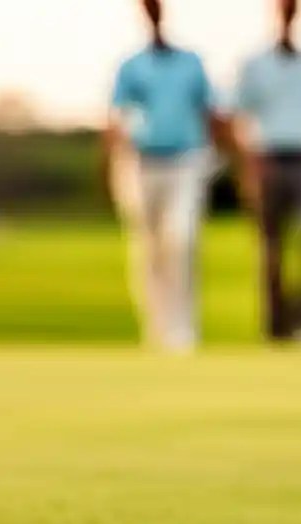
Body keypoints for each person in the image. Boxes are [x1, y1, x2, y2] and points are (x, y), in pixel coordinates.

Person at [105, 0, 226, 353]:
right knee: (149, 247)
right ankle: (155, 327)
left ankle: (182, 330)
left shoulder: (191, 62)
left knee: (181, 238)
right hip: (141, 163)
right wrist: (109, 164)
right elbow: (117, 118)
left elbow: (210, 111)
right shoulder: (131, 66)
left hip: (187, 161)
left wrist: (224, 155)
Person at [233, 0, 301, 345]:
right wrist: (248, 164)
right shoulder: (254, 64)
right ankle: (277, 326)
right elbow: (240, 116)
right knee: (271, 248)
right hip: (268, 157)